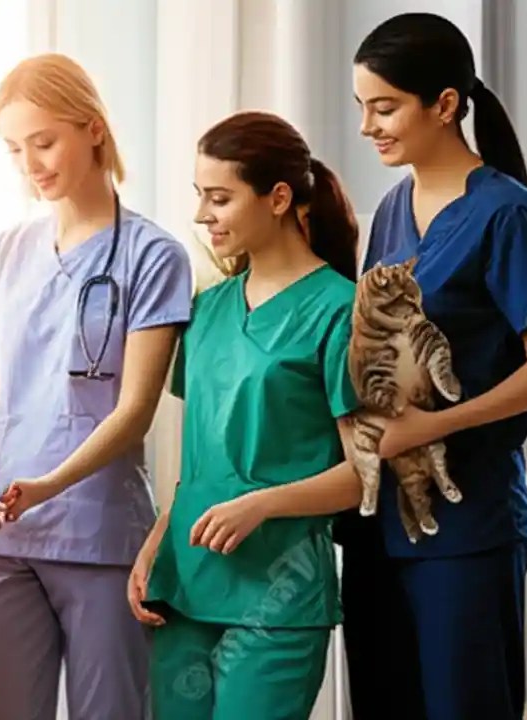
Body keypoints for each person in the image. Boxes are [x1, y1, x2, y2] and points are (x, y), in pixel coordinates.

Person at [0, 52, 193, 719]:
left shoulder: (152, 255)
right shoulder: (9, 251)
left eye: (43, 142)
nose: (30, 164)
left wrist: (49, 485)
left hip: (96, 535)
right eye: (15, 149)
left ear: (93, 129)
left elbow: (134, 410)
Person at [341, 12, 527, 720]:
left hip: (469, 524)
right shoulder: (391, 210)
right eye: (363, 108)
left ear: (444, 105)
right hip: (381, 524)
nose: (368, 127)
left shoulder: (506, 215)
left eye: (384, 108)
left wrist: (429, 425)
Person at [131, 110, 365, 719]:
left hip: (278, 599)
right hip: (186, 585)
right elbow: (199, 454)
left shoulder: (341, 310)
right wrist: (157, 540)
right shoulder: (206, 311)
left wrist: (262, 503)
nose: (203, 215)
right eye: (199, 197)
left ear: (279, 197)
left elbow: (363, 473)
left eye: (220, 198)